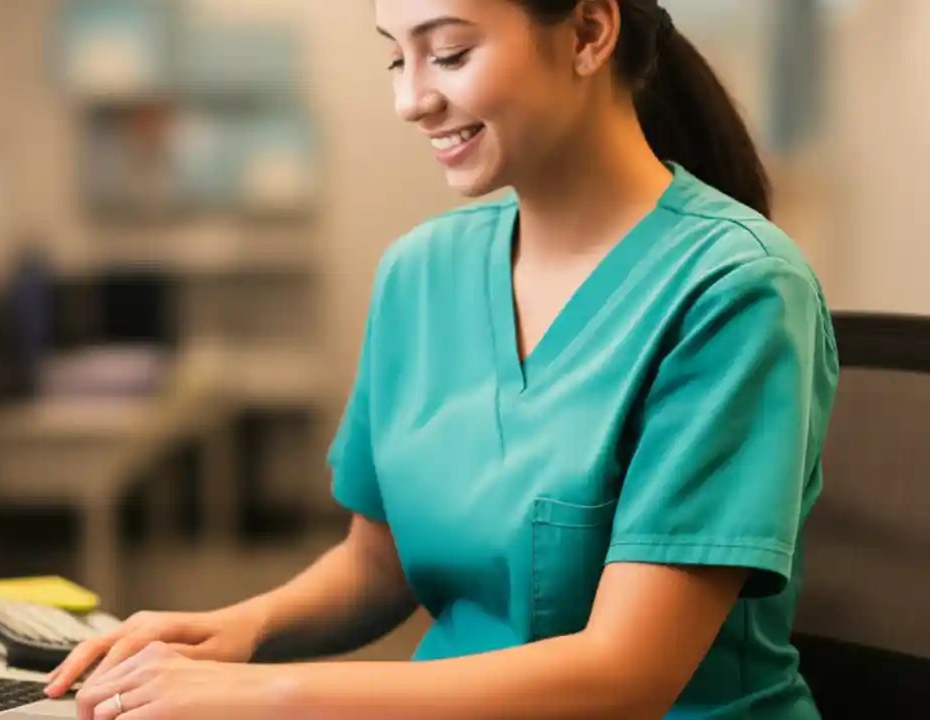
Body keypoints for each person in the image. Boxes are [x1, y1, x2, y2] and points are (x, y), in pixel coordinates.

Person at [46, 0, 839, 717]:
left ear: (591, 33)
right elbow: (377, 566)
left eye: (451, 54)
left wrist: (266, 692)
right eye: (398, 57)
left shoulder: (735, 290)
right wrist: (236, 630)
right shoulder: (420, 272)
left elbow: (624, 677)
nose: (410, 99)